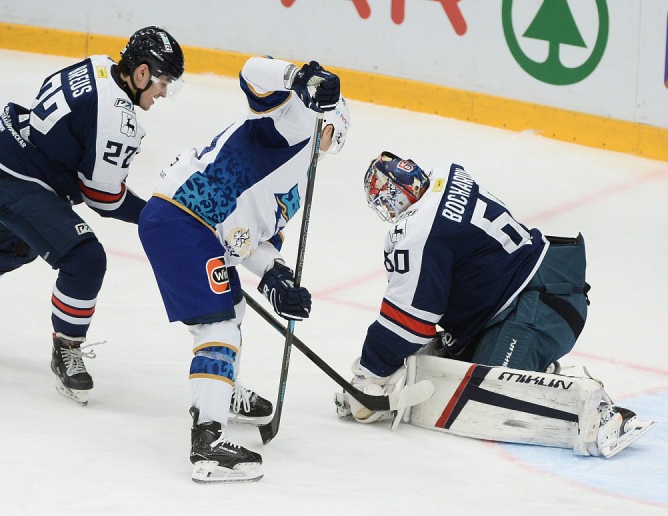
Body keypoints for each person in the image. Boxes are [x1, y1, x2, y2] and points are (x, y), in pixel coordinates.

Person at [0, 27, 185, 406]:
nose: (163, 93)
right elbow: (103, 197)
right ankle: (66, 349)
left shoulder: (98, 66)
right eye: (163, 83)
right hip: (23, 183)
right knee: (85, 259)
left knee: (9, 247)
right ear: (142, 72)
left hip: (7, 161)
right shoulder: (119, 118)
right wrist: (154, 216)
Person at [334, 151, 653, 457]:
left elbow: (409, 321)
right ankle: (537, 368)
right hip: (541, 287)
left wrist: (370, 375)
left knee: (484, 398)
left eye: (384, 201)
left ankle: (601, 414)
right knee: (450, 374)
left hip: (536, 307)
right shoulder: (446, 175)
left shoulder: (418, 231)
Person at [138, 56, 350, 483]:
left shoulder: (295, 186)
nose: (327, 145)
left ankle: (224, 392)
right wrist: (298, 78)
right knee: (218, 328)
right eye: (329, 136)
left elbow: (254, 243)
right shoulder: (296, 125)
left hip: (196, 228)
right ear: (328, 126)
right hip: (185, 217)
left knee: (233, 310)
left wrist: (277, 279)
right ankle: (208, 443)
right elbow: (252, 71)